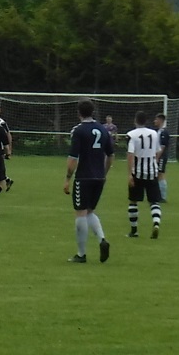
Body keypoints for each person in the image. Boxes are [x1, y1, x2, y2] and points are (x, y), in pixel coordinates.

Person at [63, 99, 113, 263]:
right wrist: (104, 173)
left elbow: (73, 158)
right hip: (99, 177)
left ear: (79, 113)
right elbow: (111, 155)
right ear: (93, 112)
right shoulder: (103, 129)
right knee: (90, 211)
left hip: (83, 177)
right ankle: (102, 239)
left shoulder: (79, 131)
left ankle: (81, 254)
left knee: (81, 213)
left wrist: (67, 179)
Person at [126, 110, 163, 238]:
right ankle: (156, 223)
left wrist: (130, 174)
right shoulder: (154, 133)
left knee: (133, 201)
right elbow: (158, 151)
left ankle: (134, 231)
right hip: (152, 171)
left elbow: (130, 155)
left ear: (135, 120)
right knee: (154, 201)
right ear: (146, 121)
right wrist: (154, 162)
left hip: (138, 173)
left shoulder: (131, 134)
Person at [154, 112, 172, 202]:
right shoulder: (158, 131)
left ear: (160, 120)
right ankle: (158, 194)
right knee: (157, 175)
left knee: (160, 174)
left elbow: (162, 147)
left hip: (161, 157)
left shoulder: (164, 132)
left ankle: (163, 197)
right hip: (158, 156)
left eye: (156, 119)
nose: (154, 121)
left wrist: (157, 157)